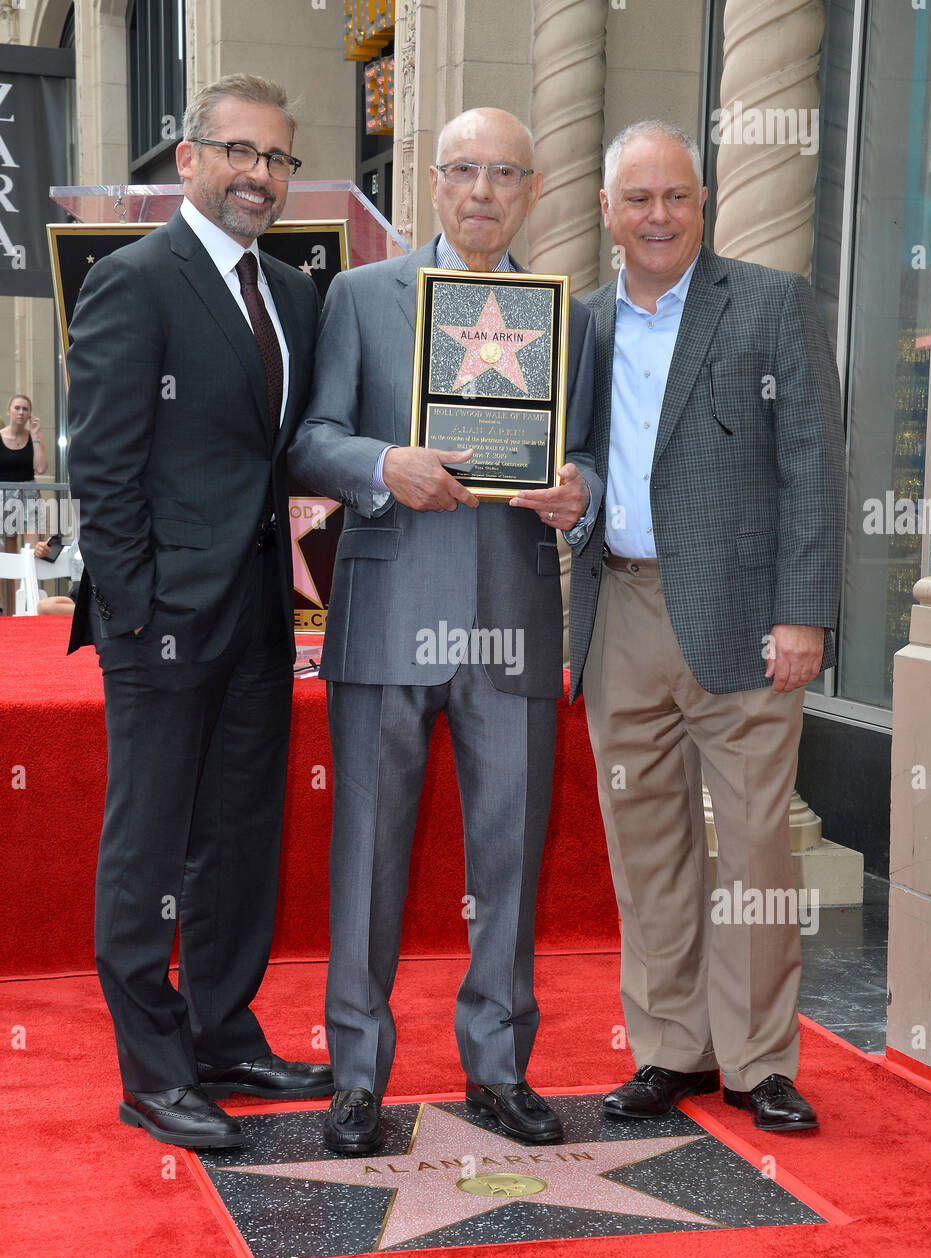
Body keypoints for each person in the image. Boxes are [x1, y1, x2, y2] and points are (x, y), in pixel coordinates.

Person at [289, 107, 600, 1155]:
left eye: (503, 173)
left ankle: (499, 1068)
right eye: (463, 170)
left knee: (509, 856)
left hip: (512, 618)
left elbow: (587, 450)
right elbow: (311, 440)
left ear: (531, 190)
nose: (481, 190)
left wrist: (576, 491)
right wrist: (385, 465)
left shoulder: (564, 316)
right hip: (384, 616)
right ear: (432, 182)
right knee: (367, 853)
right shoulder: (361, 297)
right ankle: (356, 1075)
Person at [66, 73, 330, 1150]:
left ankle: (224, 1034)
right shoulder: (135, 281)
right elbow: (104, 470)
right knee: (149, 849)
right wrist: (136, 614)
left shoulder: (295, 293)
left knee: (236, 839)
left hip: (262, 618)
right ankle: (153, 1071)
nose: (258, 176)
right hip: (160, 623)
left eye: (275, 159)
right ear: (188, 159)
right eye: (238, 153)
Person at [569, 121, 845, 1133]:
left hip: (744, 624)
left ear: (702, 203)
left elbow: (812, 465)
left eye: (674, 196)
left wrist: (803, 612)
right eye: (637, 198)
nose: (656, 216)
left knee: (758, 854)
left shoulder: (768, 303)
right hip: (617, 610)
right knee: (645, 850)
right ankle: (669, 1049)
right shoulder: (582, 323)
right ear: (606, 211)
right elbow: (571, 458)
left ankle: (759, 1061)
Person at [1, 395, 49, 612]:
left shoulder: (34, 437)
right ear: (9, 411)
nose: (21, 412)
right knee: (10, 561)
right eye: (17, 408)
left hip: (29, 497)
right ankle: (10, 611)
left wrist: (36, 436)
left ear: (30, 414)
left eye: (25, 409)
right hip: (5, 499)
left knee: (33, 553)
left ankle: (36, 608)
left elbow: (40, 469)